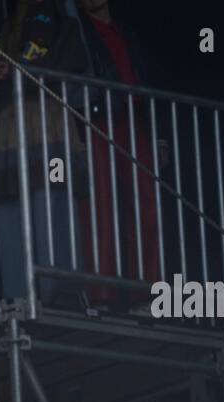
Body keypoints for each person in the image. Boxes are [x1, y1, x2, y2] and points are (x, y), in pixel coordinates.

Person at [0, 0, 89, 309]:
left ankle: (59, 292)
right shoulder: (8, 22)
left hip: (45, 118)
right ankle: (21, 297)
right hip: (11, 122)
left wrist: (17, 68)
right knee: (12, 204)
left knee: (50, 202)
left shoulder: (55, 10)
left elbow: (56, 56)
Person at [73, 0, 165, 312]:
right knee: (99, 208)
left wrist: (158, 134)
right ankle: (102, 296)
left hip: (131, 116)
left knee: (147, 204)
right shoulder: (78, 30)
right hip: (95, 117)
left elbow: (148, 78)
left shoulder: (127, 30)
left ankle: (147, 293)